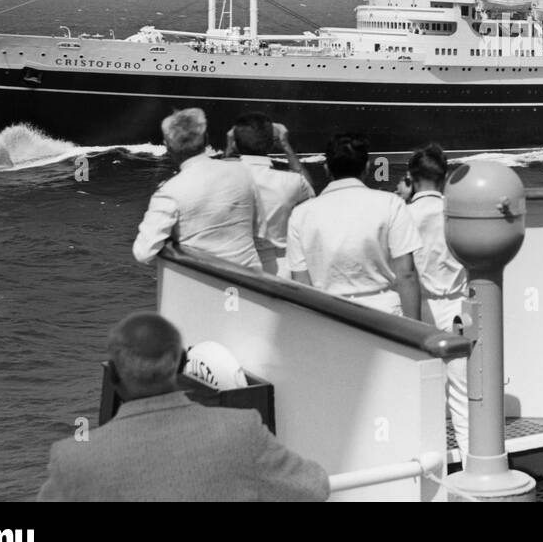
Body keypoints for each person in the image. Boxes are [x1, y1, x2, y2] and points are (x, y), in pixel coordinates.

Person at [38, 312, 329, 501]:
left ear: (113, 375)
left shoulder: (73, 459)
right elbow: (314, 488)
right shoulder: (242, 431)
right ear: (181, 364)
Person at [287, 134, 423, 319]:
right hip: (384, 315)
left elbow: (301, 282)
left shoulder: (301, 214)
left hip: (327, 315)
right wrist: (415, 333)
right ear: (367, 167)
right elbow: (406, 274)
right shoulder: (391, 204)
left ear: (327, 168)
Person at [397, 144, 469, 452]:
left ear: (412, 178)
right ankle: (470, 467)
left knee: (421, 392)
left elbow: (401, 270)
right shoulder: (457, 212)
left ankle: (430, 472)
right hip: (458, 306)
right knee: (464, 393)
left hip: (419, 307)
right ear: (446, 177)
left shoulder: (403, 215)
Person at [132, 108, 260, 269]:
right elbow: (259, 222)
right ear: (206, 140)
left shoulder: (169, 193)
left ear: (168, 147)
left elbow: (143, 253)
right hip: (251, 279)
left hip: (203, 281)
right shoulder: (243, 172)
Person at [227, 113, 316, 277]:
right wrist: (285, 144)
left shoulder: (224, 176)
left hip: (232, 262)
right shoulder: (290, 182)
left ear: (235, 144)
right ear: (271, 145)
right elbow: (308, 187)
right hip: (278, 267)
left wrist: (229, 146)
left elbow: (218, 170)